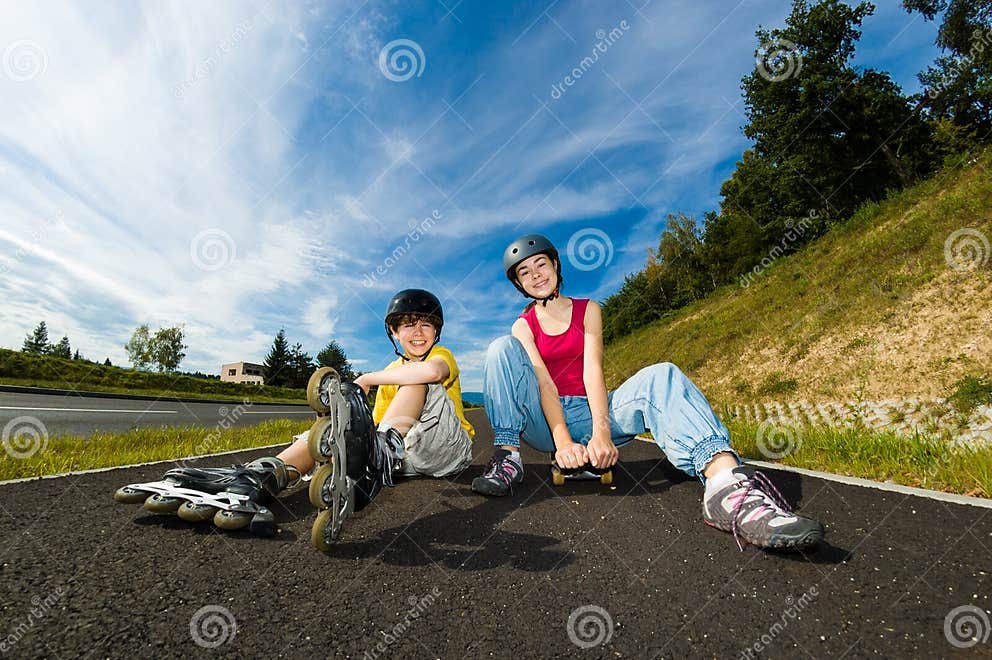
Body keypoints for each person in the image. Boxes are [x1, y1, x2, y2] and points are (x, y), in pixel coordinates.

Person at [470, 234, 823, 550]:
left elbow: (593, 371)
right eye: (525, 272)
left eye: (541, 265)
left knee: (661, 374)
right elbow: (544, 383)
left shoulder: (588, 310)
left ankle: (726, 489)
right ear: (518, 283)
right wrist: (562, 442)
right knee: (501, 348)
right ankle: (508, 458)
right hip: (545, 423)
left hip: (595, 409)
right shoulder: (523, 325)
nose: (535, 275)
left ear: (556, 265)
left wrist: (601, 433)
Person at [114, 289, 474, 550]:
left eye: (425, 325)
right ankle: (262, 477)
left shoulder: (440, 356)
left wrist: (366, 379)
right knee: (333, 434)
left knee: (418, 379)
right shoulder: (392, 370)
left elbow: (431, 372)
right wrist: (339, 437)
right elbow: (370, 426)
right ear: (393, 333)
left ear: (437, 332)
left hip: (445, 449)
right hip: (401, 460)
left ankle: (382, 451)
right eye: (407, 325)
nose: (417, 332)